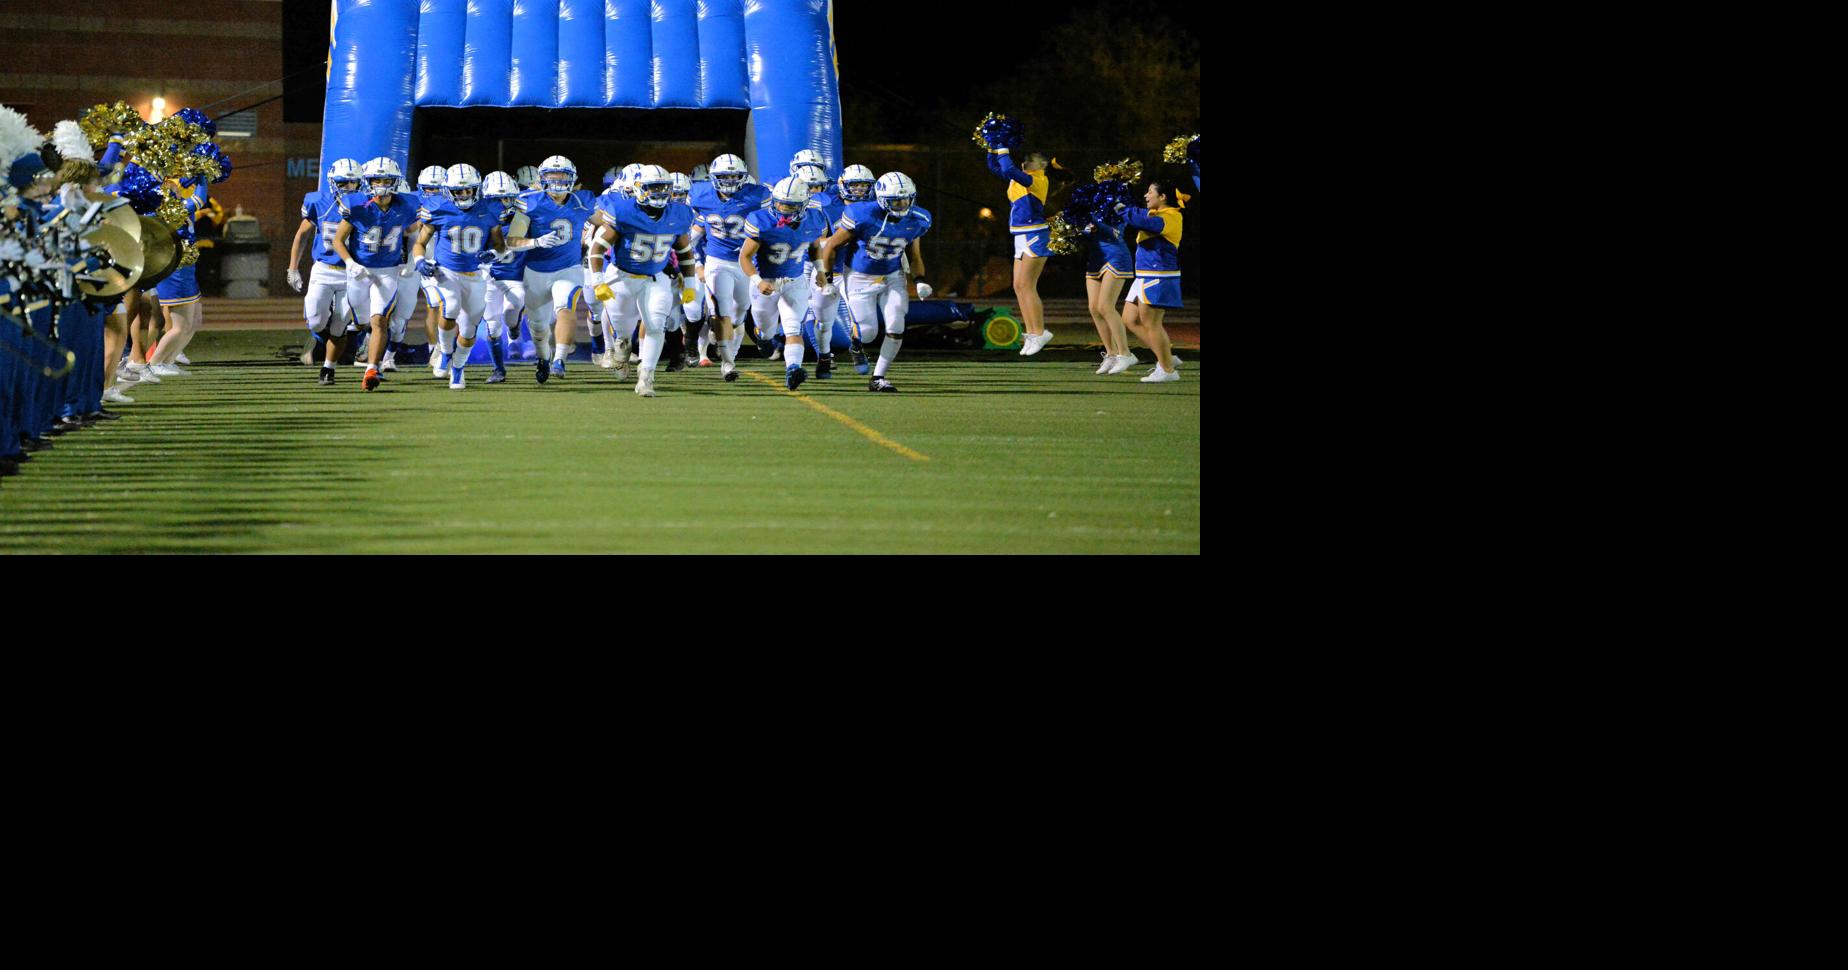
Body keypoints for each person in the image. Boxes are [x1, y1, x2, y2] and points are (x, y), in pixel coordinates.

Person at [588, 164, 696, 397]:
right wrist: (597, 280)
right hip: (621, 277)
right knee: (623, 332)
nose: (659, 192)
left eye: (663, 187)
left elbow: (685, 252)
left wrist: (690, 284)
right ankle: (622, 348)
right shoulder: (623, 211)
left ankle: (646, 377)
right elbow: (597, 248)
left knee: (656, 325)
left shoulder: (678, 214)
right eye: (653, 187)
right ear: (639, 188)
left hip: (656, 278)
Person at [818, 172, 931, 393]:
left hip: (892, 275)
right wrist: (827, 277)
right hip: (859, 276)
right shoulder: (862, 214)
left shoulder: (919, 218)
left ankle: (878, 377)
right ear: (882, 199)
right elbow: (831, 246)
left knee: (896, 324)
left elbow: (915, 254)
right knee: (868, 333)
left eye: (906, 199)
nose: (902, 205)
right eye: (896, 201)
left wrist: (920, 280)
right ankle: (856, 343)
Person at [408, 163, 503, 390]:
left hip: (476, 274)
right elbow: (420, 243)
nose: (464, 194)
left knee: (469, 329)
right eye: (458, 191)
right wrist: (419, 260)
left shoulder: (490, 209)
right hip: (447, 271)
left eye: (468, 190)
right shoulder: (438, 208)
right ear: (448, 191)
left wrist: (494, 254)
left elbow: (500, 244)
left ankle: (458, 368)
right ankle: (445, 352)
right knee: (449, 307)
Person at [329, 157, 421, 388]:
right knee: (361, 321)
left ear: (395, 181)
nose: (381, 185)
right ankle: (360, 343)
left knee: (379, 320)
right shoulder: (357, 205)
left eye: (386, 180)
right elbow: (338, 240)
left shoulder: (406, 205)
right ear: (368, 182)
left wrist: (411, 259)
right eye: (376, 180)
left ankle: (371, 369)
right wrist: (350, 263)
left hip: (388, 270)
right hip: (360, 270)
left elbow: (414, 233)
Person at [504, 154, 594, 382]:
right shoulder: (530, 201)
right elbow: (512, 240)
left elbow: (610, 223)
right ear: (542, 178)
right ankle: (544, 358)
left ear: (572, 178)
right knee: (538, 327)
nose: (557, 182)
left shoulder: (582, 201)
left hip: (568, 268)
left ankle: (559, 360)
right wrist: (536, 242)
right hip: (536, 271)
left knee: (565, 307)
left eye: (562, 176)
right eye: (552, 177)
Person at [687, 153, 770, 382]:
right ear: (714, 177)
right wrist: (696, 262)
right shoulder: (701, 196)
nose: (730, 181)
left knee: (739, 314)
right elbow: (692, 234)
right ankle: (727, 363)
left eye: (735, 176)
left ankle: (725, 344)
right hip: (717, 261)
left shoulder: (757, 196)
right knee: (720, 311)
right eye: (724, 176)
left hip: (747, 263)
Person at [741, 175, 830, 389]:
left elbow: (814, 247)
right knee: (767, 330)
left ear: (803, 205)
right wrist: (758, 281)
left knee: (793, 327)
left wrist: (820, 270)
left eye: (789, 205)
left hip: (795, 280)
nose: (782, 208)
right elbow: (744, 257)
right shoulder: (761, 220)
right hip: (766, 282)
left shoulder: (815, 219)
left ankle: (793, 369)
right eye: (780, 203)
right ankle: (762, 338)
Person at [288, 157, 361, 382]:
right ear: (332, 182)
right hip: (324, 269)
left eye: (353, 182)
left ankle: (329, 368)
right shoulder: (318, 201)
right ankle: (321, 341)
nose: (349, 187)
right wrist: (293, 268)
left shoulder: (366, 204)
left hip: (352, 273)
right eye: (343, 183)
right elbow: (302, 234)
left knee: (340, 325)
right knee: (315, 321)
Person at [985, 146, 1055, 355]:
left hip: (1035, 235)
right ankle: (1032, 333)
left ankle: (1040, 332)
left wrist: (1003, 149)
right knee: (1018, 286)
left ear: (1043, 164)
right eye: (1024, 159)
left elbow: (1008, 168)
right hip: (1020, 236)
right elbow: (995, 166)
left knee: (1027, 285)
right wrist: (992, 146)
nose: (1025, 161)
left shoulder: (1038, 180)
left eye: (1031, 159)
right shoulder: (1018, 178)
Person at [1117, 179, 1187, 383]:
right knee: (1130, 319)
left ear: (1162, 197)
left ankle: (1167, 370)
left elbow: (1142, 222)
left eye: (1150, 192)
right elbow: (1138, 214)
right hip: (1144, 275)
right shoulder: (1155, 213)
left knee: (1151, 323)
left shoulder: (1171, 216)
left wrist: (1120, 208)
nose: (1146, 196)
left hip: (1159, 275)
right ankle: (1166, 357)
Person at [147, 178, 211, 375]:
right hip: (177, 270)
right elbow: (199, 198)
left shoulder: (176, 207)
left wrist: (191, 178)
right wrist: (202, 176)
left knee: (194, 322)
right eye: (172, 187)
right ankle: (155, 363)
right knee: (179, 326)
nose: (177, 187)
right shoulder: (169, 209)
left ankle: (168, 361)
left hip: (186, 268)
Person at [479, 170, 528, 369]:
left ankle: (514, 329)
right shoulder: (479, 218)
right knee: (491, 323)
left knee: (512, 310)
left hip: (515, 276)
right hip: (488, 276)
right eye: (496, 199)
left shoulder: (524, 217)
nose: (503, 203)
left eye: (507, 197)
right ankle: (498, 369)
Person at [832, 165, 877, 373]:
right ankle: (823, 355)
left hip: (855, 272)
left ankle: (856, 347)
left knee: (868, 330)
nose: (859, 189)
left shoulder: (876, 210)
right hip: (824, 269)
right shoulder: (826, 204)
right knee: (817, 316)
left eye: (863, 185)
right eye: (854, 185)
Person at [1081, 217, 1137, 375]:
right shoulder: (1088, 208)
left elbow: (1114, 233)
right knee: (1094, 308)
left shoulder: (1117, 205)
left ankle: (1125, 354)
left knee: (1106, 306)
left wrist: (1091, 219)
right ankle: (1111, 354)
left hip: (1116, 255)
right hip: (1096, 257)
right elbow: (1089, 233)